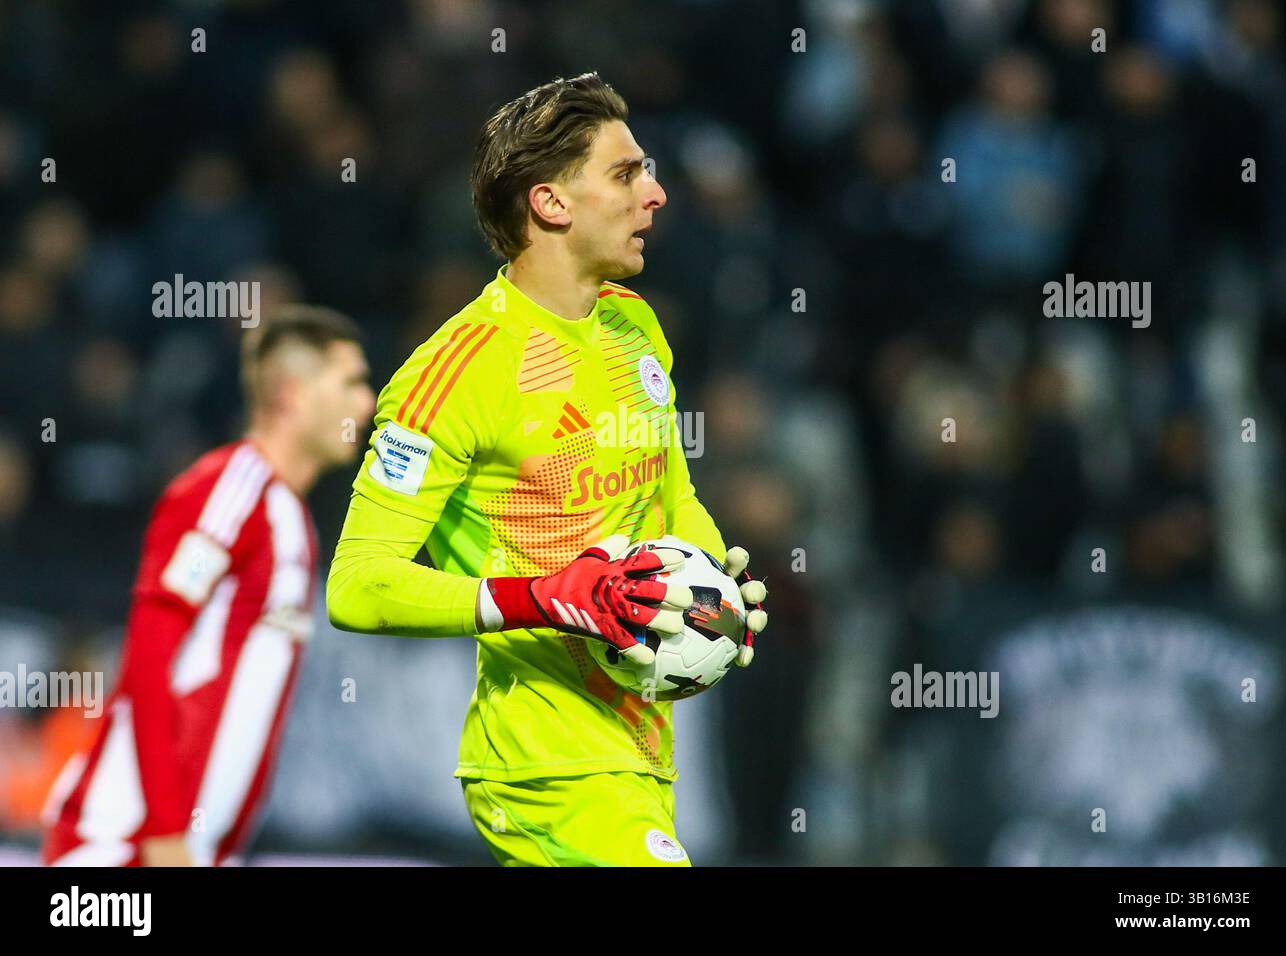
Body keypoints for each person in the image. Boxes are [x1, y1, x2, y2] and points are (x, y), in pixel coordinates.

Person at [326, 72, 768, 866]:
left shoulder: (636, 331)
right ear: (551, 204)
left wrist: (714, 584)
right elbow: (357, 584)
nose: (657, 194)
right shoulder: (454, 373)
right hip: (542, 768)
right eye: (627, 174)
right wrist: (545, 600)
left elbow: (672, 495)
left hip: (642, 756)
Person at [42, 307, 375, 866]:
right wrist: (167, 833)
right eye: (350, 382)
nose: (366, 404)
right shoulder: (231, 490)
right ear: (292, 393)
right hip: (122, 848)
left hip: (195, 850)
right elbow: (149, 654)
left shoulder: (289, 518)